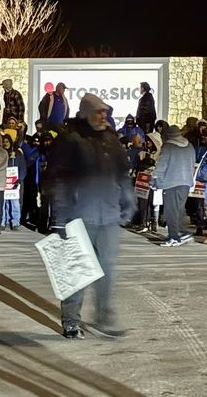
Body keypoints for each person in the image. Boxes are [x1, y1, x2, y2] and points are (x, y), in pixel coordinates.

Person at [47, 93, 135, 339]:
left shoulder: (110, 139)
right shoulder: (70, 139)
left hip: (108, 215)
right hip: (79, 215)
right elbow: (58, 179)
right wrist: (60, 216)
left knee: (106, 269)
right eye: (99, 112)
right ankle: (71, 321)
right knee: (77, 269)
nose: (103, 116)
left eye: (105, 112)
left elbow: (122, 173)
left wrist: (127, 199)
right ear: (86, 113)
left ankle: (103, 317)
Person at [151, 125, 195, 246]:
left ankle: (174, 237)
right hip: (186, 182)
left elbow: (161, 165)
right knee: (179, 209)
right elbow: (192, 164)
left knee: (171, 211)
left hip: (171, 183)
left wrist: (154, 179)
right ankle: (183, 233)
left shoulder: (168, 146)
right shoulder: (190, 146)